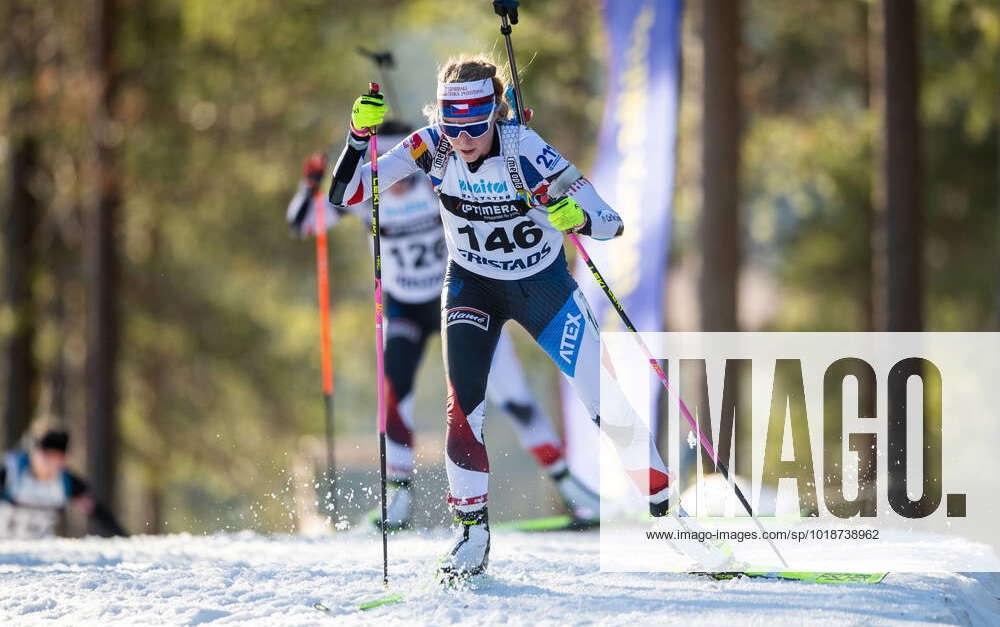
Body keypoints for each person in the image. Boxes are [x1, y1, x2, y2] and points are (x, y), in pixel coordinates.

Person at [329, 55, 673, 580]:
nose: (463, 140)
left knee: (605, 402)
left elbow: (611, 222)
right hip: (472, 287)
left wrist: (577, 216)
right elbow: (348, 194)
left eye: (474, 126)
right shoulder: (430, 146)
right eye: (453, 125)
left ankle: (670, 515)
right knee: (463, 407)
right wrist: (358, 137)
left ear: (494, 114)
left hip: (543, 289)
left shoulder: (526, 149)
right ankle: (472, 535)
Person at [288, 120, 599, 530]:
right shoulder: (368, 197)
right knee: (395, 389)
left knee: (512, 394)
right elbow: (305, 223)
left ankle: (568, 485)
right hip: (405, 307)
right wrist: (309, 185)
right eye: (386, 172)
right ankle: (398, 496)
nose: (396, 183)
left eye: (400, 173)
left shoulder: (435, 180)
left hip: (463, 298)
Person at [0, 429, 127, 539]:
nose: (50, 463)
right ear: (33, 453)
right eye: (46, 455)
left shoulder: (67, 483)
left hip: (38, 551)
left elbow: (98, 512)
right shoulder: (11, 474)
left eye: (57, 458)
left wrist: (125, 538)